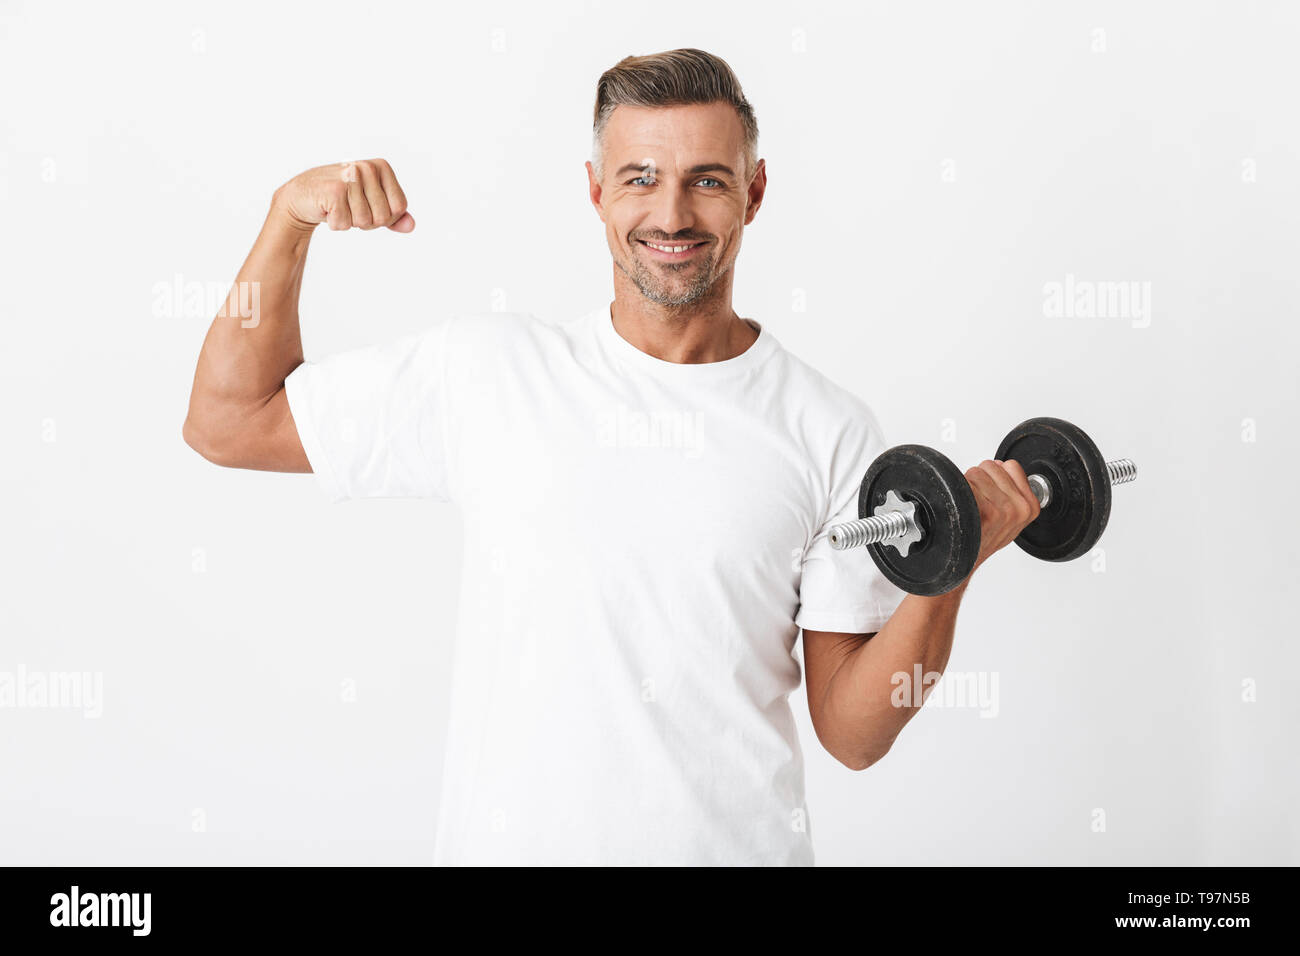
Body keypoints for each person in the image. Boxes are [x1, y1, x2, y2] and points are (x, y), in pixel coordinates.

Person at [183, 48, 1041, 865]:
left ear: (756, 191)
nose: (671, 215)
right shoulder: (490, 374)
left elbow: (854, 736)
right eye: (640, 179)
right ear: (596, 191)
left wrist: (950, 564)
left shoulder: (830, 429)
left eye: (708, 180)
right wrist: (287, 219)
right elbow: (229, 422)